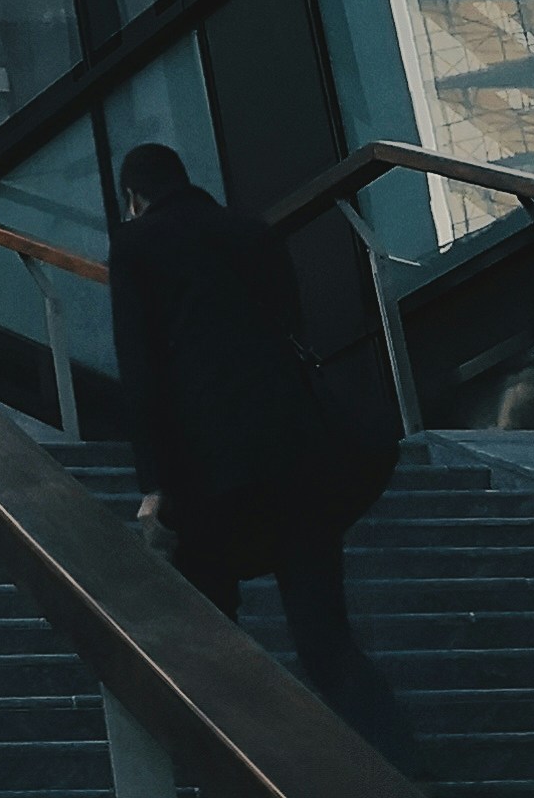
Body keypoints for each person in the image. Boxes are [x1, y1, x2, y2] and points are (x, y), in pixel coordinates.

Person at [108, 141, 422, 773]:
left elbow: (142, 375)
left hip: (207, 468)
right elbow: (288, 323)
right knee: (325, 638)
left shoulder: (138, 245)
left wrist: (154, 485)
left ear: (133, 198)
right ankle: (398, 766)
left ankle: (248, 765)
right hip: (298, 456)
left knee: (212, 630)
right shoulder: (248, 231)